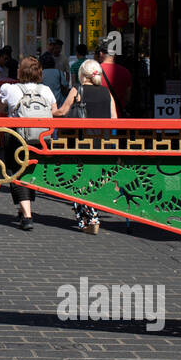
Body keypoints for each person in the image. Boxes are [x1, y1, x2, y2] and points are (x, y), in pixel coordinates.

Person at [55, 59, 117, 233]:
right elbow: (114, 119)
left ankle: (90, 219)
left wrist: (50, 112)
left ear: (82, 74)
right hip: (102, 143)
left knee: (80, 180)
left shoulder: (78, 89)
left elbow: (63, 111)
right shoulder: (107, 92)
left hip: (82, 141)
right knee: (94, 179)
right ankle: (92, 216)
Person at [0, 56, 56, 230]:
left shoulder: (11, 89)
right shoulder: (46, 90)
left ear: (20, 72)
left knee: (16, 172)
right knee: (31, 170)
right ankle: (24, 210)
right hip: (41, 139)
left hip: (17, 137)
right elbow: (54, 110)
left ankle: (27, 216)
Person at [97, 40, 132, 116]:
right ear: (115, 54)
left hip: (99, 117)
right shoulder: (126, 72)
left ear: (101, 54)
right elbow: (127, 98)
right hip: (119, 116)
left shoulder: (95, 71)